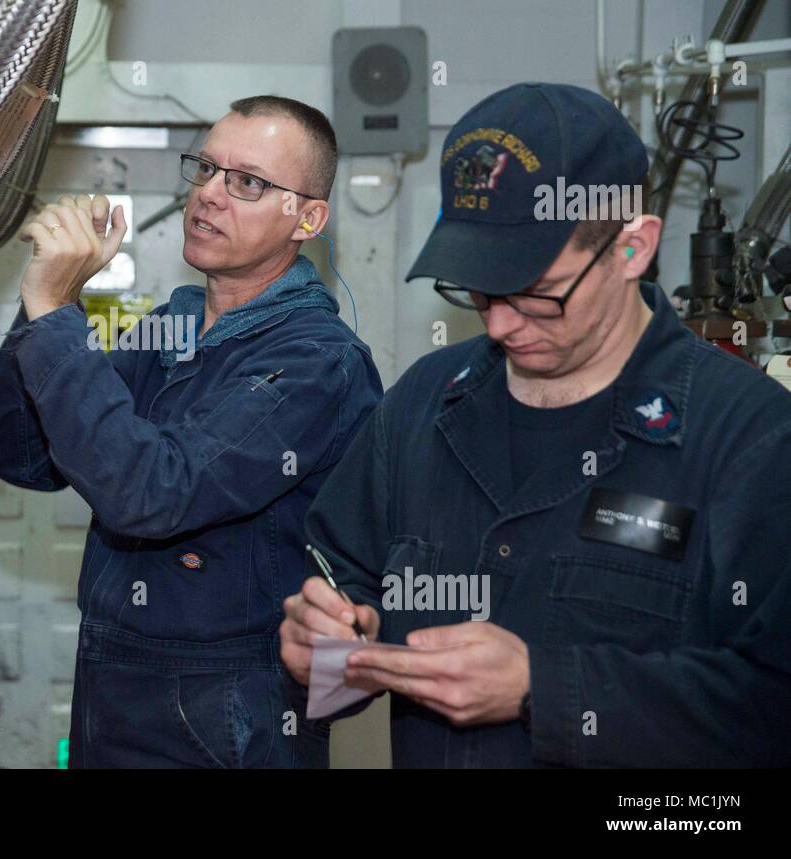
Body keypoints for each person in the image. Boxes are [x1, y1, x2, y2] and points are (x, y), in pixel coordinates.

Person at [280, 82, 791, 767]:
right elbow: (342, 579)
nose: (498, 322)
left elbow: (771, 702)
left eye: (537, 295)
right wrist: (327, 639)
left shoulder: (748, 439)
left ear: (632, 248)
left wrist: (544, 689)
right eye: (478, 289)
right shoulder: (423, 406)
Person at [0, 95, 383, 767]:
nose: (209, 195)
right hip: (114, 690)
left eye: (247, 182)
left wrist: (56, 317)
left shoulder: (316, 362)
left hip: (228, 717)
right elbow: (26, 458)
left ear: (307, 218)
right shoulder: (175, 324)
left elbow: (152, 490)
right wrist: (45, 307)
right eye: (205, 169)